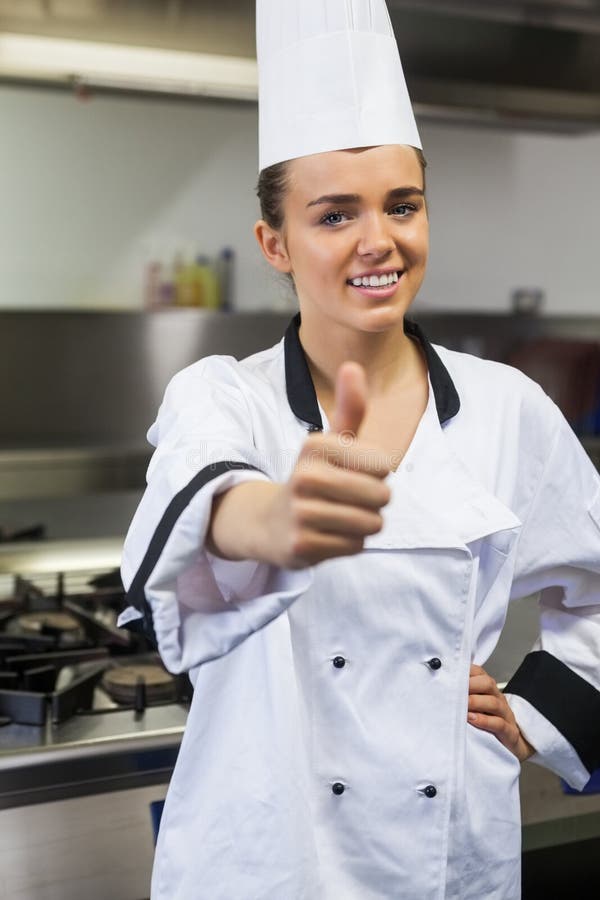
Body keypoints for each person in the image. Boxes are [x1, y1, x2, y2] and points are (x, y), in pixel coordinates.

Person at [118, 2, 600, 898]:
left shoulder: (507, 408)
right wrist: (272, 520)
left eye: (402, 205)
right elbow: (205, 503)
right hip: (264, 850)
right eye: (334, 215)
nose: (379, 239)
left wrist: (540, 711)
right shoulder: (222, 395)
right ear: (275, 243)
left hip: (447, 853)